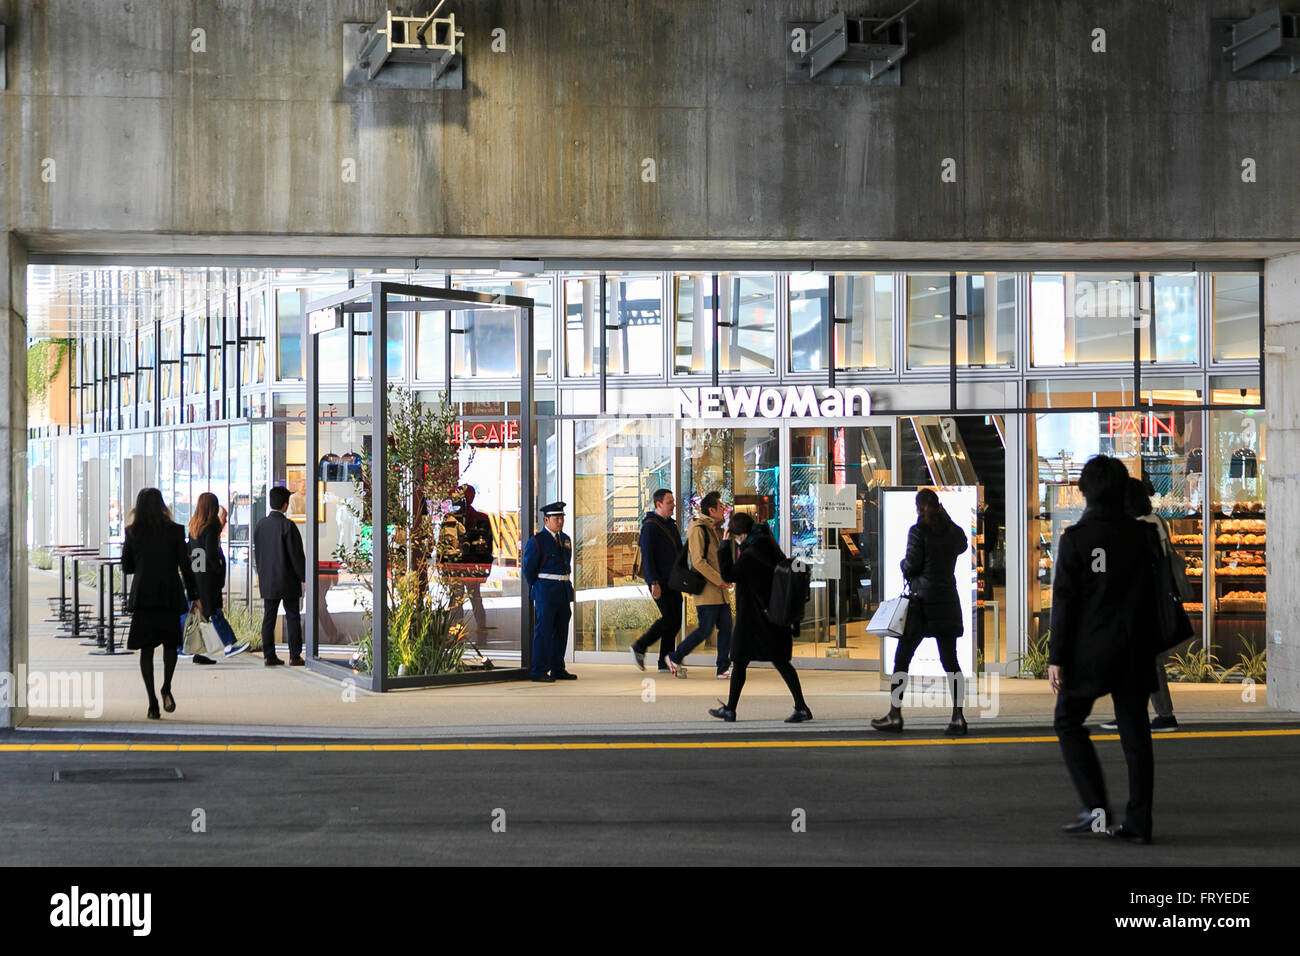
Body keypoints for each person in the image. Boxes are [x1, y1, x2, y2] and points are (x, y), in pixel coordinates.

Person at [1049, 455, 1159, 844]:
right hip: (1135, 649)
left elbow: (1064, 601)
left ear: (1084, 492)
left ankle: (1095, 809)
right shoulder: (1142, 536)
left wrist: (1056, 657)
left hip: (1090, 652)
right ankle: (1139, 823)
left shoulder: (1076, 540)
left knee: (1068, 722)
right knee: (1136, 736)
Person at [872, 488, 970, 735]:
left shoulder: (918, 531)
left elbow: (911, 565)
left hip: (921, 605)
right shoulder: (952, 532)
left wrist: (902, 564)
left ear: (918, 509)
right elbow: (962, 543)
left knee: (902, 659)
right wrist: (944, 515)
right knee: (951, 662)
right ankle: (958, 717)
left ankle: (895, 715)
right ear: (939, 507)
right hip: (946, 601)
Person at [708, 512, 811, 723]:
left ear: (741, 534)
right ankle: (799, 706)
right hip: (771, 615)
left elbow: (729, 575)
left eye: (735, 536)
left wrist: (723, 545)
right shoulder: (769, 546)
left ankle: (732, 710)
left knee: (742, 661)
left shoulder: (750, 555)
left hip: (754, 618)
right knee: (773, 661)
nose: (735, 540)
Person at [1098, 477, 1179, 733]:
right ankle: (1141, 713)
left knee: (1143, 662)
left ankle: (1159, 715)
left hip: (1141, 604)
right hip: (1152, 602)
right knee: (1142, 662)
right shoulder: (1156, 521)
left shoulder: (1138, 527)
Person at [121, 488, 200, 720]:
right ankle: (166, 687)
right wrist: (194, 595)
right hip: (169, 594)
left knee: (146, 650)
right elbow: (185, 566)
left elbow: (127, 567)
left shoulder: (132, 532)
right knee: (169, 645)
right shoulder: (175, 531)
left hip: (144, 595)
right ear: (162, 506)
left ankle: (152, 702)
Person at [664, 490, 733, 679]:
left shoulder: (714, 528)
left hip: (720, 592)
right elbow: (698, 562)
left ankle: (723, 668)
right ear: (710, 510)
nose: (724, 509)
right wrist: (719, 580)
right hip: (707, 590)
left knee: (726, 628)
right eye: (720, 506)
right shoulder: (698, 528)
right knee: (705, 629)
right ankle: (675, 656)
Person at [186, 492, 250, 664]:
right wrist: (219, 567)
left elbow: (193, 553)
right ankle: (229, 644)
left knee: (204, 613)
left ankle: (199, 648)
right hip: (209, 577)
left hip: (197, 575)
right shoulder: (211, 527)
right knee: (214, 611)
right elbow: (212, 554)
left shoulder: (193, 527)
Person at [522, 501, 576, 682]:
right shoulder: (537, 541)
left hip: (562, 590)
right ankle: (539, 670)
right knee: (544, 632)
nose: (560, 521)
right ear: (546, 519)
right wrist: (538, 588)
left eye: (561, 518)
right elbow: (529, 570)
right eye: (556, 518)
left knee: (561, 632)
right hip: (546, 591)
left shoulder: (566, 539)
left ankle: (557, 668)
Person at [630, 488, 683, 673]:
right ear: (659, 504)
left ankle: (665, 660)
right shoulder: (650, 527)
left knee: (676, 620)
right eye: (670, 502)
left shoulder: (672, 525)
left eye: (673, 501)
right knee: (670, 617)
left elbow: (679, 552)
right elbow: (647, 557)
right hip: (660, 581)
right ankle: (640, 646)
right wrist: (653, 582)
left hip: (674, 580)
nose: (673, 505)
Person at [253, 485, 307, 666]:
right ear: (285, 505)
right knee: (292, 616)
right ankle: (294, 655)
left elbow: (257, 554)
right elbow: (296, 555)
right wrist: (304, 576)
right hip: (288, 579)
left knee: (269, 616)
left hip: (268, 579)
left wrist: (260, 573)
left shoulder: (260, 525)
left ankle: (269, 655)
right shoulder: (288, 526)